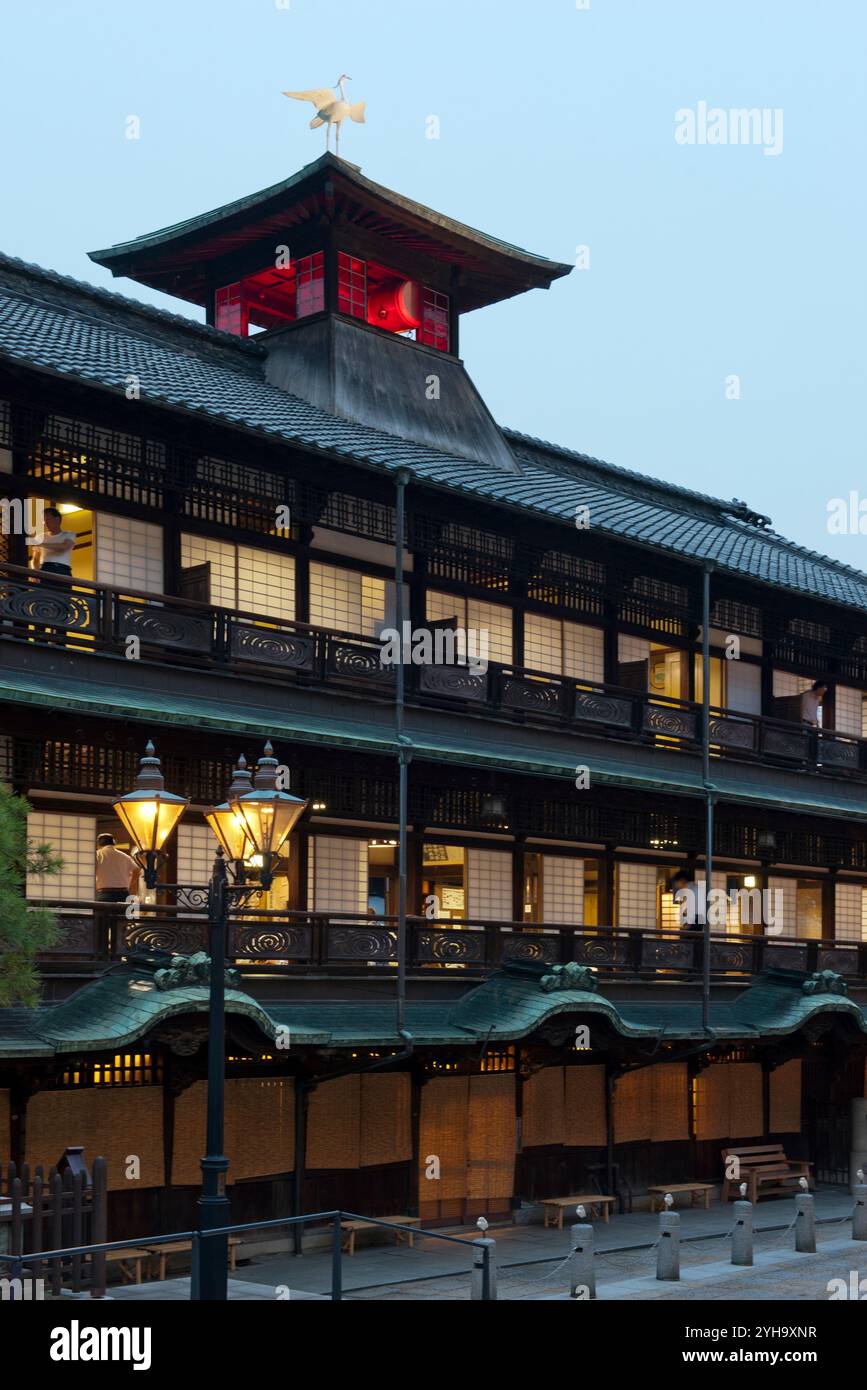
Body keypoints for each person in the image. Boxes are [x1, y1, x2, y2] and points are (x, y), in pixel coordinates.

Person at [27, 506, 76, 577]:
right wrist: (35, 574)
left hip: (63, 570)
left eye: (48, 519)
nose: (45, 523)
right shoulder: (41, 537)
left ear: (57, 519)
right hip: (45, 568)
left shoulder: (69, 534)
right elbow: (35, 559)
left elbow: (64, 546)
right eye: (43, 520)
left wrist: (40, 544)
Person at [95, 833, 141, 902]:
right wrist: (129, 883)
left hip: (104, 894)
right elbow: (137, 870)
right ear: (113, 843)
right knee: (121, 912)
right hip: (123, 894)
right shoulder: (124, 856)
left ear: (98, 845)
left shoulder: (97, 854)